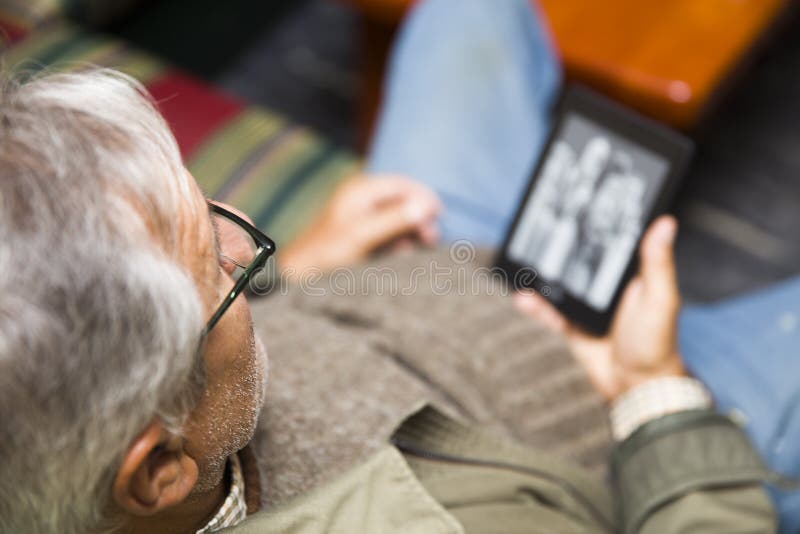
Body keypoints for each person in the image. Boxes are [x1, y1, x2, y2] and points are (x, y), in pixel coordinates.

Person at [0, 3, 785, 534]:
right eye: (220, 270)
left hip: (408, 273)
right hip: (610, 389)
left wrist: (294, 278)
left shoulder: (93, 414)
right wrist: (659, 399)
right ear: (162, 470)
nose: (249, 248)